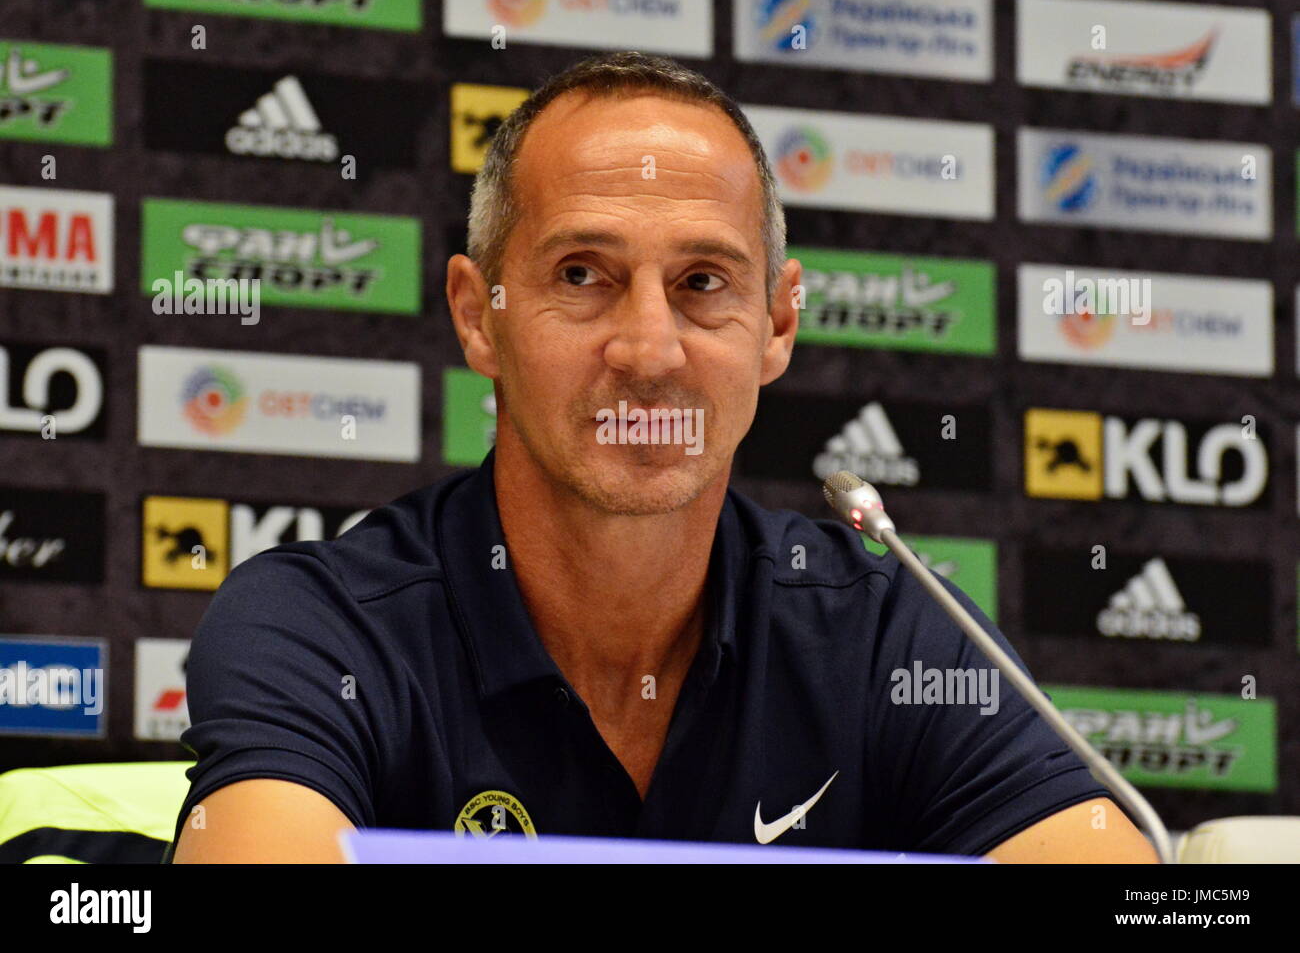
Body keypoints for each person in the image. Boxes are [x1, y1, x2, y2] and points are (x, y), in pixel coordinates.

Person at [168, 51, 1156, 863]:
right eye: (582, 274)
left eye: (701, 281)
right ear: (479, 316)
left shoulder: (888, 632)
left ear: (774, 323)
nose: (649, 350)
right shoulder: (322, 627)